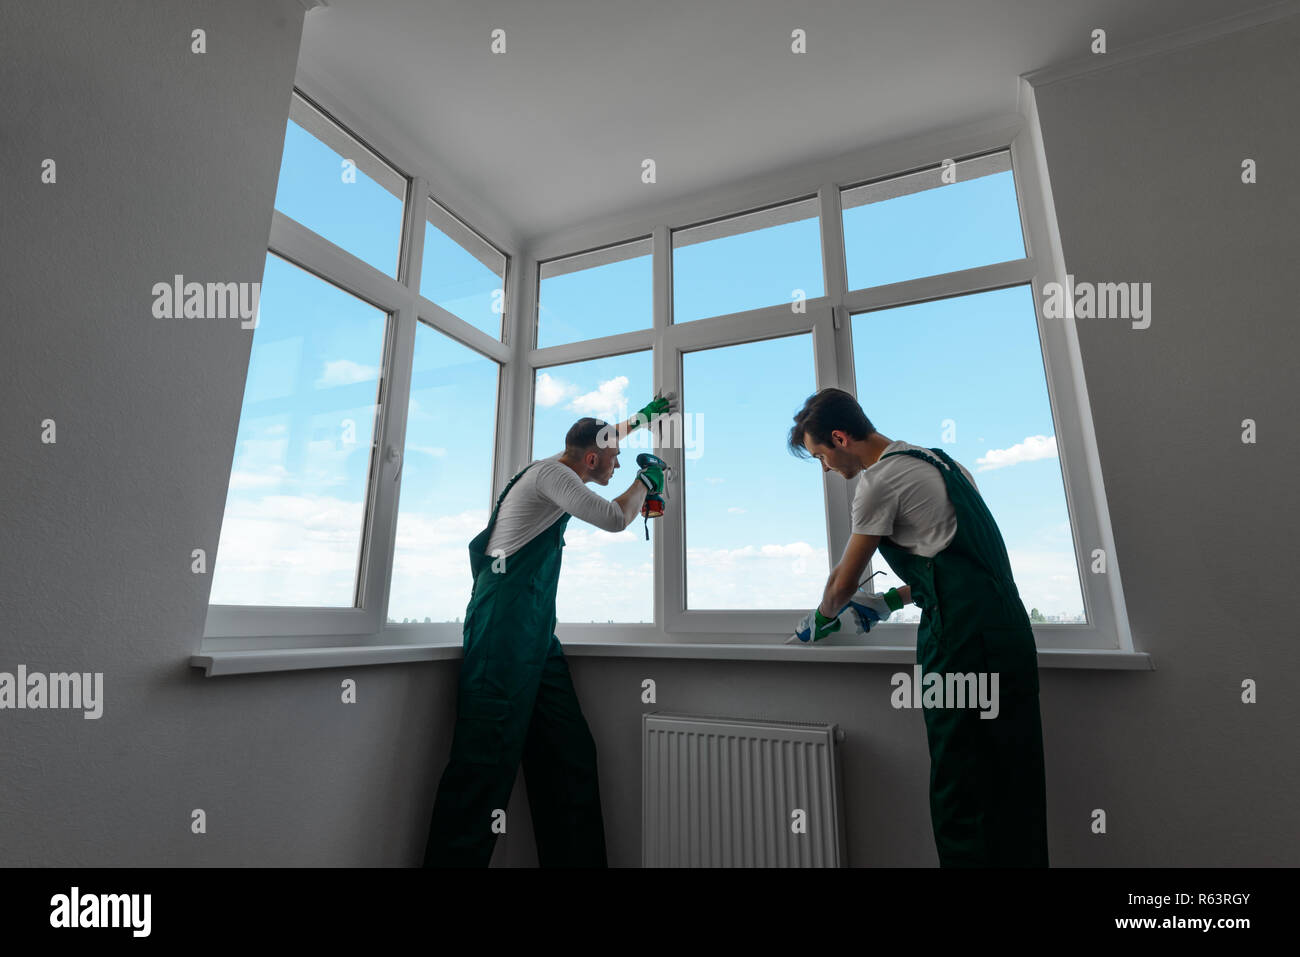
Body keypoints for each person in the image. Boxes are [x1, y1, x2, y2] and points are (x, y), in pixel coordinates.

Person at [787, 387, 1048, 868]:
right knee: (1015, 775)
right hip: (1007, 632)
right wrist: (891, 600)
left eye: (822, 455)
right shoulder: (940, 462)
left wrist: (820, 619)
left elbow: (843, 581)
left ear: (840, 438)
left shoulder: (878, 481)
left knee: (961, 782)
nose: (825, 468)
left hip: (959, 642)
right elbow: (953, 558)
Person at [423, 392, 676, 867]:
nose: (617, 466)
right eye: (615, 461)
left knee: (569, 755)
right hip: (502, 632)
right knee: (484, 765)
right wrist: (647, 480)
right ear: (593, 458)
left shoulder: (569, 466)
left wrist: (642, 418)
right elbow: (615, 517)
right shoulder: (553, 475)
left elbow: (605, 441)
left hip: (537, 636)